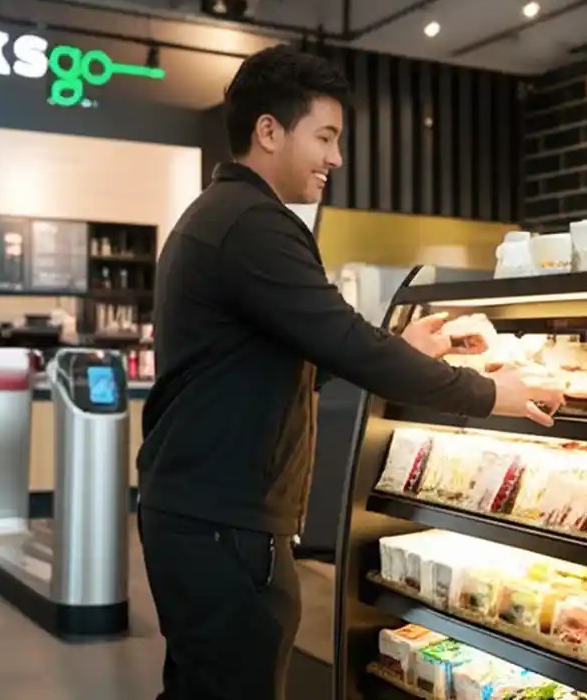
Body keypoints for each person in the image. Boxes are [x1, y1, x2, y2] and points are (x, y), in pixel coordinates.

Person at [137, 44, 564, 700]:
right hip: (227, 523)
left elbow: (280, 364)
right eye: (326, 137)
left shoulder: (216, 215)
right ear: (270, 131)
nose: (336, 158)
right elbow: (345, 341)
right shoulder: (255, 223)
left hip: (198, 512)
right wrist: (489, 393)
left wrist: (405, 346)